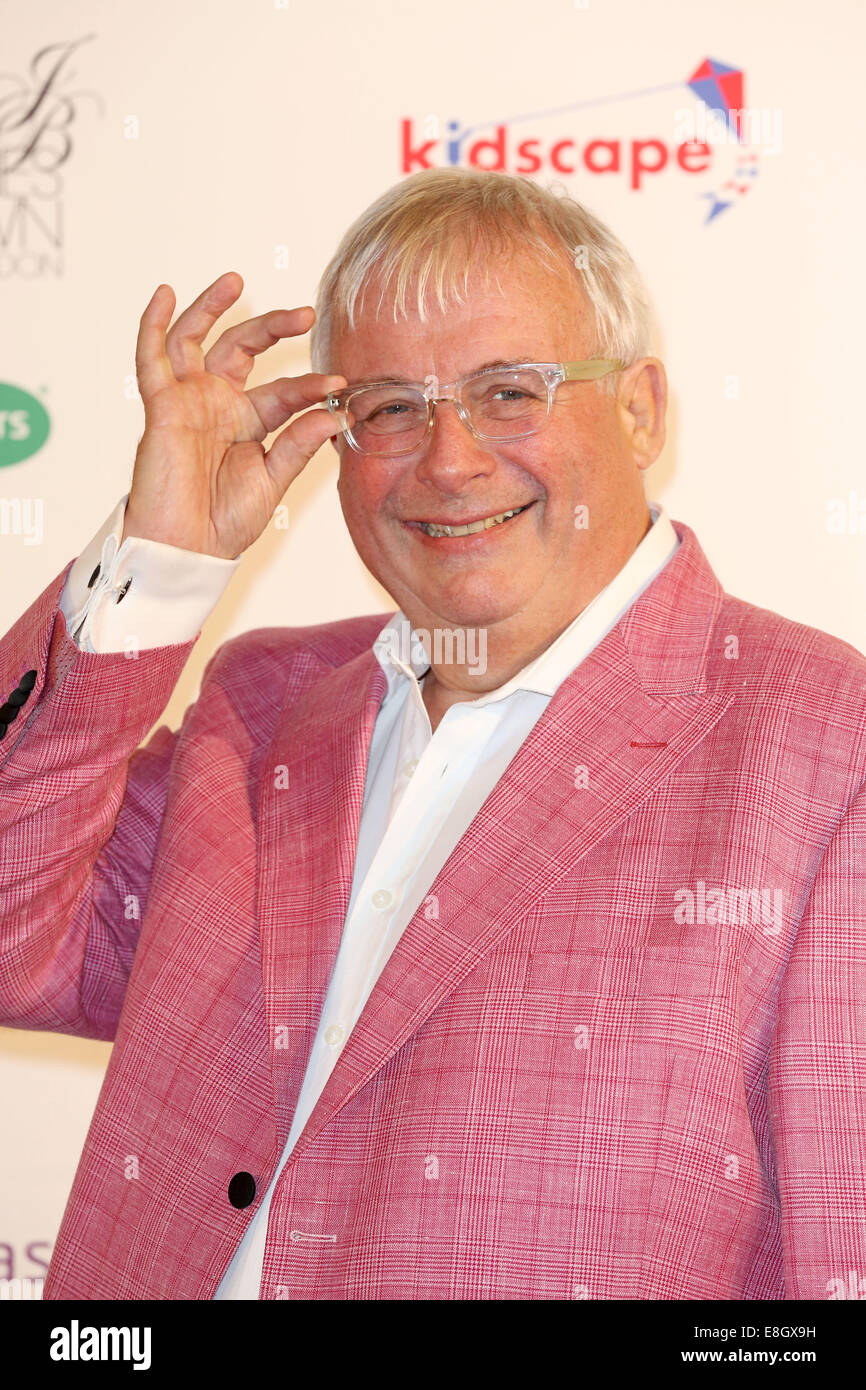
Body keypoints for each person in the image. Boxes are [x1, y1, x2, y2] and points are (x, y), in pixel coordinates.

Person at [1, 168, 864, 1301]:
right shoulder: (260, 708)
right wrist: (160, 564)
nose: (448, 459)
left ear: (641, 407)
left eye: (510, 391)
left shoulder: (822, 748)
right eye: (390, 406)